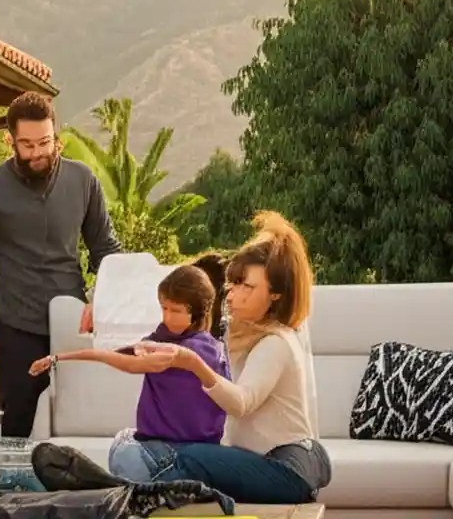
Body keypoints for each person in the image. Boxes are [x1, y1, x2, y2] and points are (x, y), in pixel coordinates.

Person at [49, 211, 331, 504]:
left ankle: (113, 492)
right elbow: (181, 286)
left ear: (276, 295)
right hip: (265, 461)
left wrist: (194, 365)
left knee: (181, 456)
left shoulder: (276, 342)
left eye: (247, 286)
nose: (233, 295)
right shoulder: (238, 331)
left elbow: (242, 404)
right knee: (131, 442)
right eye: (232, 284)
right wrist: (99, 300)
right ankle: (120, 487)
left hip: (285, 469)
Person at [0, 90, 122, 438]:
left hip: (75, 329)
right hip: (17, 331)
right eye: (27, 145)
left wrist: (100, 300)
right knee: (17, 431)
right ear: (9, 141)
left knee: (77, 429)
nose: (38, 153)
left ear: (56, 135)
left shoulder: (84, 181)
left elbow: (107, 251)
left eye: (44, 143)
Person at [29, 262, 230, 481]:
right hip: (158, 448)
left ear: (199, 311)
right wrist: (58, 357)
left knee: (125, 448)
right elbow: (127, 351)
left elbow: (129, 364)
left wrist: (62, 357)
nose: (167, 317)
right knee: (124, 441)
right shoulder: (164, 337)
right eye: (164, 308)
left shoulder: (201, 349)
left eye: (176, 310)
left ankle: (133, 492)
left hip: (185, 455)